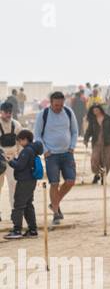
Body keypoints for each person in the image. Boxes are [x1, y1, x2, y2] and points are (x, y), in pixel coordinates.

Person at [34, 91, 79, 225]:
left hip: (67, 153)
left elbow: (75, 131)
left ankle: (54, 203)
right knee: (54, 183)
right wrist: (45, 151)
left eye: (60, 105)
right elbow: (37, 135)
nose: (58, 107)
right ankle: (56, 213)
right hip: (51, 155)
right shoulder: (43, 114)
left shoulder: (69, 112)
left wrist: (72, 147)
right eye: (56, 105)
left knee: (70, 181)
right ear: (51, 103)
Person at [4, 131, 43, 240]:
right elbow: (24, 164)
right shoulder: (32, 150)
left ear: (25, 139)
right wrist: (15, 160)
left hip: (24, 181)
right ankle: (32, 230)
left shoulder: (27, 151)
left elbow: (20, 166)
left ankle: (17, 230)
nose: (19, 142)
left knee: (19, 205)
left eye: (20, 140)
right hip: (31, 181)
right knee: (28, 205)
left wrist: (10, 161)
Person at [83, 103, 110, 184]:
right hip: (96, 143)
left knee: (106, 161)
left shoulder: (108, 119)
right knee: (94, 160)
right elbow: (89, 130)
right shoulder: (93, 120)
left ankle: (103, 177)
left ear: (100, 110)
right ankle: (96, 174)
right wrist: (86, 139)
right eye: (94, 111)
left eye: (97, 110)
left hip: (107, 144)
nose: (95, 112)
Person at [0, 101, 23, 213]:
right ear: (1, 112)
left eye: (10, 112)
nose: (8, 114)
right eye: (6, 112)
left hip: (13, 159)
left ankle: (15, 210)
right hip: (0, 159)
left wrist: (20, 157)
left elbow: (21, 142)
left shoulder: (16, 125)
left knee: (13, 183)